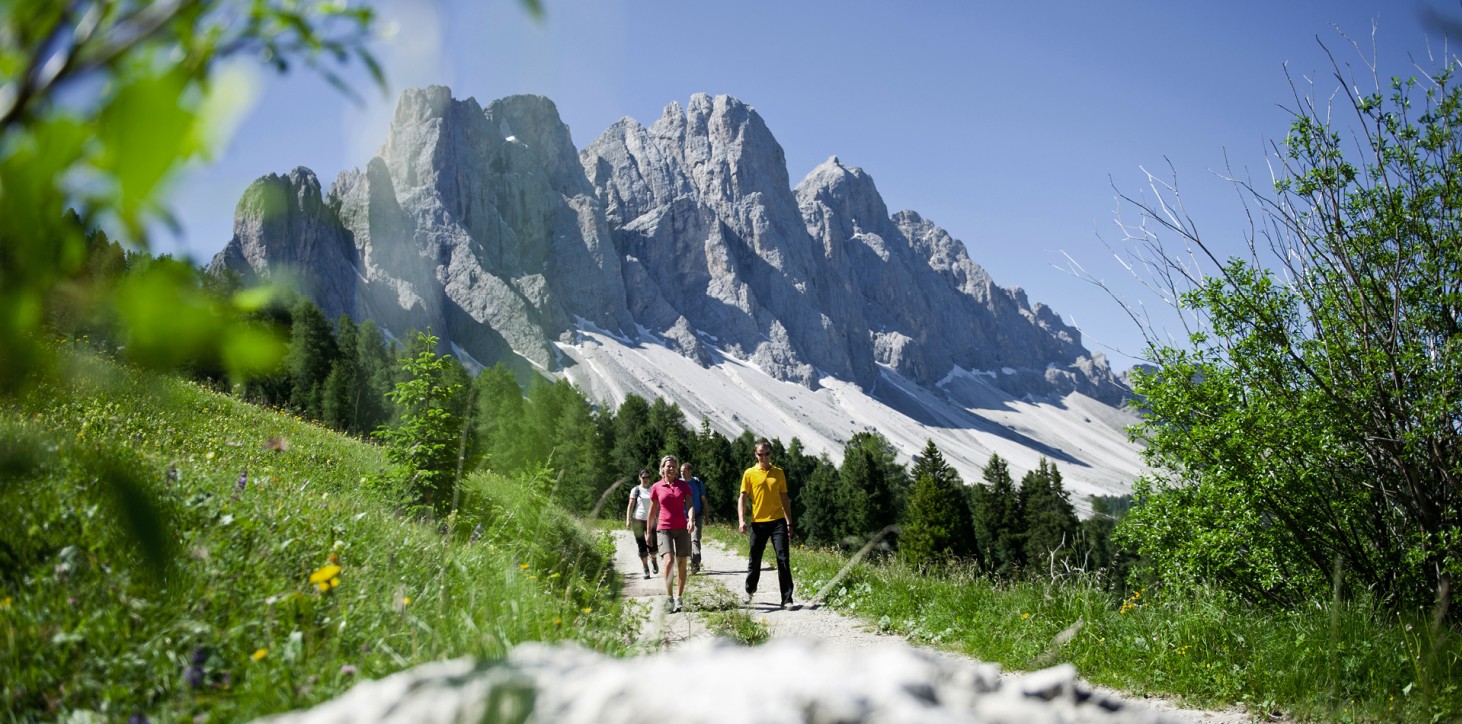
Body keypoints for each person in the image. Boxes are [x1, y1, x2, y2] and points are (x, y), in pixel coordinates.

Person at [738, 439, 795, 609]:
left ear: (771, 454)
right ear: (755, 455)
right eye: (760, 454)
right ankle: (749, 590)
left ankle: (787, 598)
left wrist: (789, 522)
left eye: (766, 454)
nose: (763, 457)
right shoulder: (749, 473)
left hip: (777, 521)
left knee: (783, 558)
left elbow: (785, 498)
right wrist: (741, 520)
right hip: (758, 522)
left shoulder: (779, 473)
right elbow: (743, 497)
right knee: (755, 559)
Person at [647, 454, 693, 612]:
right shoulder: (656, 487)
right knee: (669, 561)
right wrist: (648, 532)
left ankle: (679, 597)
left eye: (674, 466)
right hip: (664, 528)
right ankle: (669, 598)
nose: (672, 468)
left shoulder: (683, 485)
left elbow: (690, 505)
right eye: (669, 466)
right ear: (662, 468)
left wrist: (691, 519)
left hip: (682, 528)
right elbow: (652, 512)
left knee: (682, 562)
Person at [624, 468, 657, 578]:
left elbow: (658, 505)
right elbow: (630, 505)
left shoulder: (653, 489)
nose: (646, 479)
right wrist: (628, 519)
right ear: (639, 478)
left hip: (651, 520)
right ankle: (646, 568)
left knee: (652, 543)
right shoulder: (635, 490)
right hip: (638, 519)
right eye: (643, 477)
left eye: (647, 477)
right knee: (641, 544)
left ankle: (653, 560)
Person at [680, 461, 706, 573]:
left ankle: (695, 564)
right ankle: (692, 560)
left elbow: (704, 500)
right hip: (682, 517)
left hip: (697, 516)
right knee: (687, 542)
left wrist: (707, 516)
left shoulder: (697, 483)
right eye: (680, 471)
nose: (682, 473)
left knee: (695, 539)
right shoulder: (677, 484)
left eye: (684, 471)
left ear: (690, 471)